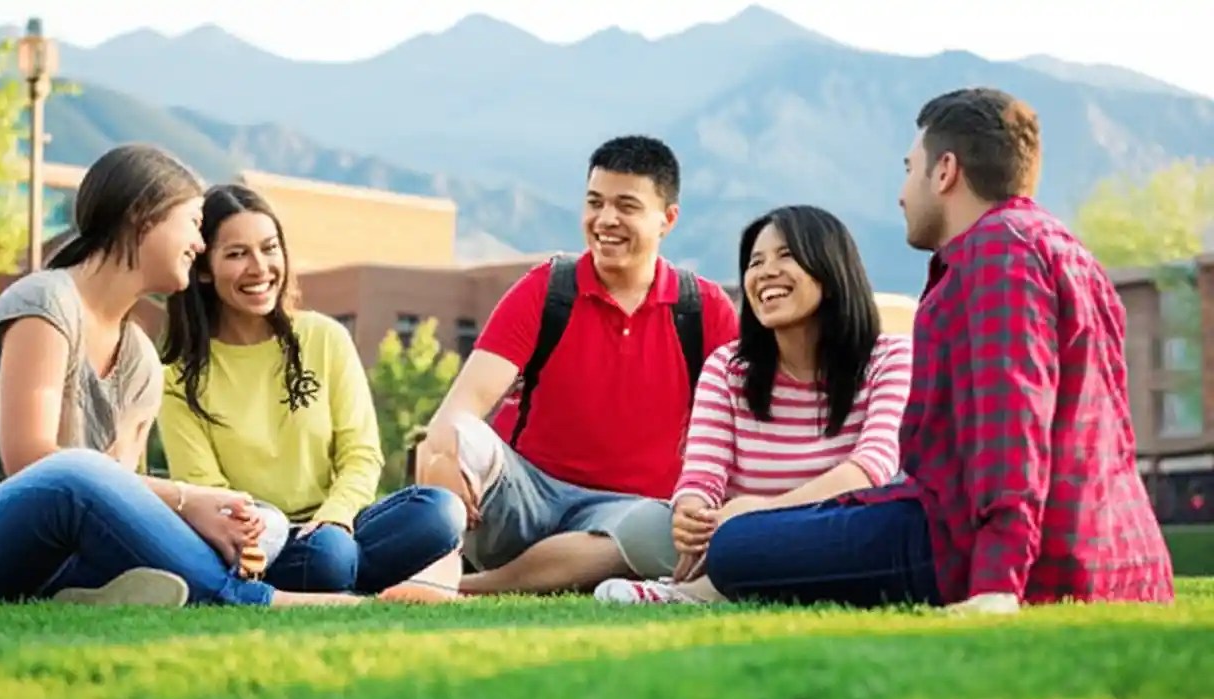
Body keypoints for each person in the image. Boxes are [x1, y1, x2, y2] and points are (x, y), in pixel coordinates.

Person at [695, 88, 1175, 612]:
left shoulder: (998, 253)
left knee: (736, 547)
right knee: (767, 527)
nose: (902, 194)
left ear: (944, 171)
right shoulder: (1066, 249)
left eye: (909, 169)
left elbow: (1012, 421)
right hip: (1120, 553)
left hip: (991, 551)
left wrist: (997, 585)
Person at [0, 145, 363, 608]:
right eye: (195, 224)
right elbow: (29, 460)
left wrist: (214, 512)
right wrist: (185, 498)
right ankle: (245, 597)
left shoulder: (139, 356)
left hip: (58, 552)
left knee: (266, 519)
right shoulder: (47, 303)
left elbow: (121, 488)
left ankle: (85, 592)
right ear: (143, 217)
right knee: (74, 471)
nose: (199, 245)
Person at [414, 135, 740, 595]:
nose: (606, 220)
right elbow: (460, 408)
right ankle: (441, 568)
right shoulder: (547, 289)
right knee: (450, 434)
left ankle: (469, 589)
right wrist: (444, 457)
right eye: (595, 202)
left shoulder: (704, 310)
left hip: (625, 521)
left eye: (626, 206)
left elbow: (737, 435)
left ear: (667, 219)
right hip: (522, 501)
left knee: (672, 528)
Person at [156, 184, 465, 600]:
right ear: (205, 268)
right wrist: (279, 531)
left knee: (440, 512)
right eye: (236, 254)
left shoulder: (324, 337)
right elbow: (207, 488)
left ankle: (334, 584)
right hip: (258, 539)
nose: (259, 267)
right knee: (328, 558)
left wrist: (335, 517)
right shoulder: (178, 373)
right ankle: (359, 584)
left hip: (336, 521)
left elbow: (361, 453)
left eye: (269, 248)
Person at [594, 205, 914, 604]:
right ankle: (722, 575)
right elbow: (703, 476)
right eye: (755, 262)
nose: (765, 272)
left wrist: (761, 512)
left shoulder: (891, 358)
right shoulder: (727, 368)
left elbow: (871, 472)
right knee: (646, 526)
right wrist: (691, 515)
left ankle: (696, 592)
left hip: (840, 525)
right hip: (735, 528)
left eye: (785, 256)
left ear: (831, 273)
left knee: (767, 543)